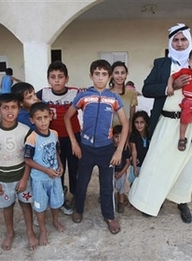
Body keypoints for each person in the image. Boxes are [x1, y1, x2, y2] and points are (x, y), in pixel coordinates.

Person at [128, 23, 192, 223]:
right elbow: (147, 88)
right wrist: (171, 86)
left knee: (186, 166)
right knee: (156, 162)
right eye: (175, 40)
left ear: (189, 41)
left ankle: (181, 201)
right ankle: (150, 200)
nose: (179, 44)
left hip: (191, 125)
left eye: (183, 39)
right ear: (171, 43)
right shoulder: (162, 64)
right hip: (165, 121)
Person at [64, 59, 129, 235]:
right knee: (82, 181)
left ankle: (109, 216)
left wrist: (118, 149)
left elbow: (125, 123)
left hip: (107, 149)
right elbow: (67, 117)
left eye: (104, 74)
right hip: (85, 148)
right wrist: (74, 142)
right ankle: (79, 209)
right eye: (97, 74)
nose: (100, 78)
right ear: (91, 76)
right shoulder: (83, 96)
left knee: (106, 184)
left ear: (109, 77)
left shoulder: (114, 98)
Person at [0, 93, 38, 251]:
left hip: (22, 176)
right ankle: (10, 233)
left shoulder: (25, 131)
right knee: (7, 207)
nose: (10, 111)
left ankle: (30, 231)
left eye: (13, 107)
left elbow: (29, 157)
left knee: (26, 205)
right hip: (4, 178)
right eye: (5, 108)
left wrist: (25, 178)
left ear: (19, 109)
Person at [36, 61, 80, 215]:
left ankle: (75, 195)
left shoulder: (76, 93)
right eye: (53, 77)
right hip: (52, 139)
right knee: (57, 169)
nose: (56, 80)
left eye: (60, 77)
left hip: (73, 136)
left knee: (75, 168)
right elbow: (29, 105)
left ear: (66, 78)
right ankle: (59, 195)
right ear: (48, 79)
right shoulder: (42, 94)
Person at [24, 102, 66, 246]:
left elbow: (56, 152)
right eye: (39, 118)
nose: (43, 121)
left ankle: (55, 220)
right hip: (39, 179)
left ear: (51, 117)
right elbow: (28, 160)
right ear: (32, 120)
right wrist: (45, 170)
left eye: (45, 117)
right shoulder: (32, 138)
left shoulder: (54, 134)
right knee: (40, 206)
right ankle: (43, 230)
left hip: (54, 177)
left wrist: (60, 165)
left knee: (55, 202)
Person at [109, 61, 138, 129]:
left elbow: (131, 117)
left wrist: (129, 131)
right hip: (108, 132)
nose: (120, 75)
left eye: (122, 73)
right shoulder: (106, 94)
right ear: (111, 75)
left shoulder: (131, 94)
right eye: (116, 73)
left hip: (125, 131)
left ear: (126, 75)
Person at [128, 111, 150, 185]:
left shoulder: (149, 135)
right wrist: (134, 167)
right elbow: (134, 151)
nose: (139, 125)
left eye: (142, 122)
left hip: (147, 164)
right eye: (136, 122)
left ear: (146, 123)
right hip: (137, 164)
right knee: (134, 183)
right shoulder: (133, 136)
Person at [112, 125, 131, 213]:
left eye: (121, 137)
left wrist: (122, 172)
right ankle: (105, 197)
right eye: (116, 137)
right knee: (108, 186)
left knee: (121, 189)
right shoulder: (110, 148)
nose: (118, 139)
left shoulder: (125, 148)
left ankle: (121, 202)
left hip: (121, 172)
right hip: (111, 172)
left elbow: (127, 162)